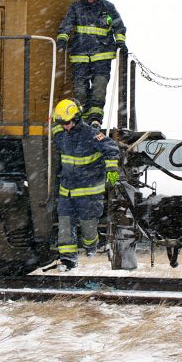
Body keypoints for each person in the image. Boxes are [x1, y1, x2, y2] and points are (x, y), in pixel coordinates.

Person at [51, 98, 120, 271]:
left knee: (89, 231)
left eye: (67, 123)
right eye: (62, 123)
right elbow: (55, 127)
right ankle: (68, 260)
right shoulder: (61, 134)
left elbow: (112, 149)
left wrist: (112, 172)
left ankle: (92, 246)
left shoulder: (92, 135)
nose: (65, 126)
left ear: (77, 118)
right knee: (65, 227)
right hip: (67, 192)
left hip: (89, 193)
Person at [56, 0, 127, 129]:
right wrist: (62, 38)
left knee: (99, 87)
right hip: (80, 56)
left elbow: (119, 27)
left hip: (102, 56)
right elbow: (67, 24)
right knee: (80, 90)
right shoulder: (76, 8)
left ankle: (95, 120)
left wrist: (121, 42)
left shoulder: (108, 8)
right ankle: (83, 120)